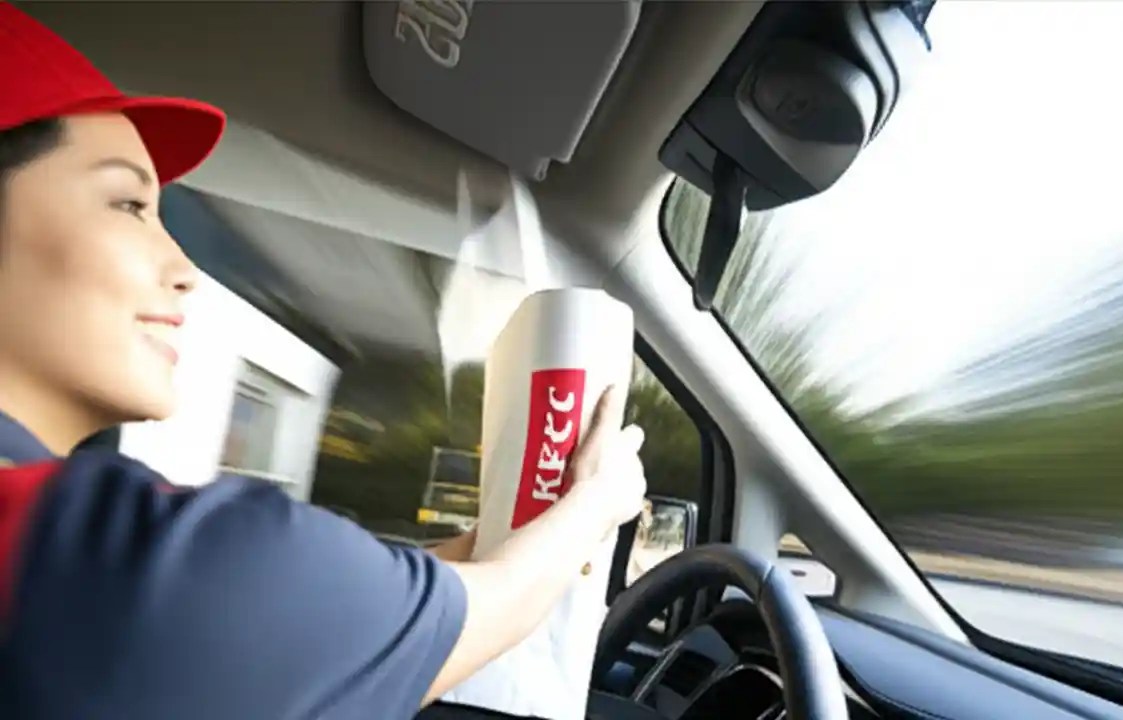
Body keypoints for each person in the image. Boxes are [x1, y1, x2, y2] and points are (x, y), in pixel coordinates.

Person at [0, 4, 647, 718]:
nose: (184, 270)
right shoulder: (110, 564)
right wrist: (598, 505)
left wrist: (522, 534)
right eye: (128, 205)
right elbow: (448, 608)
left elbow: (367, 612)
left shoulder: (81, 560)